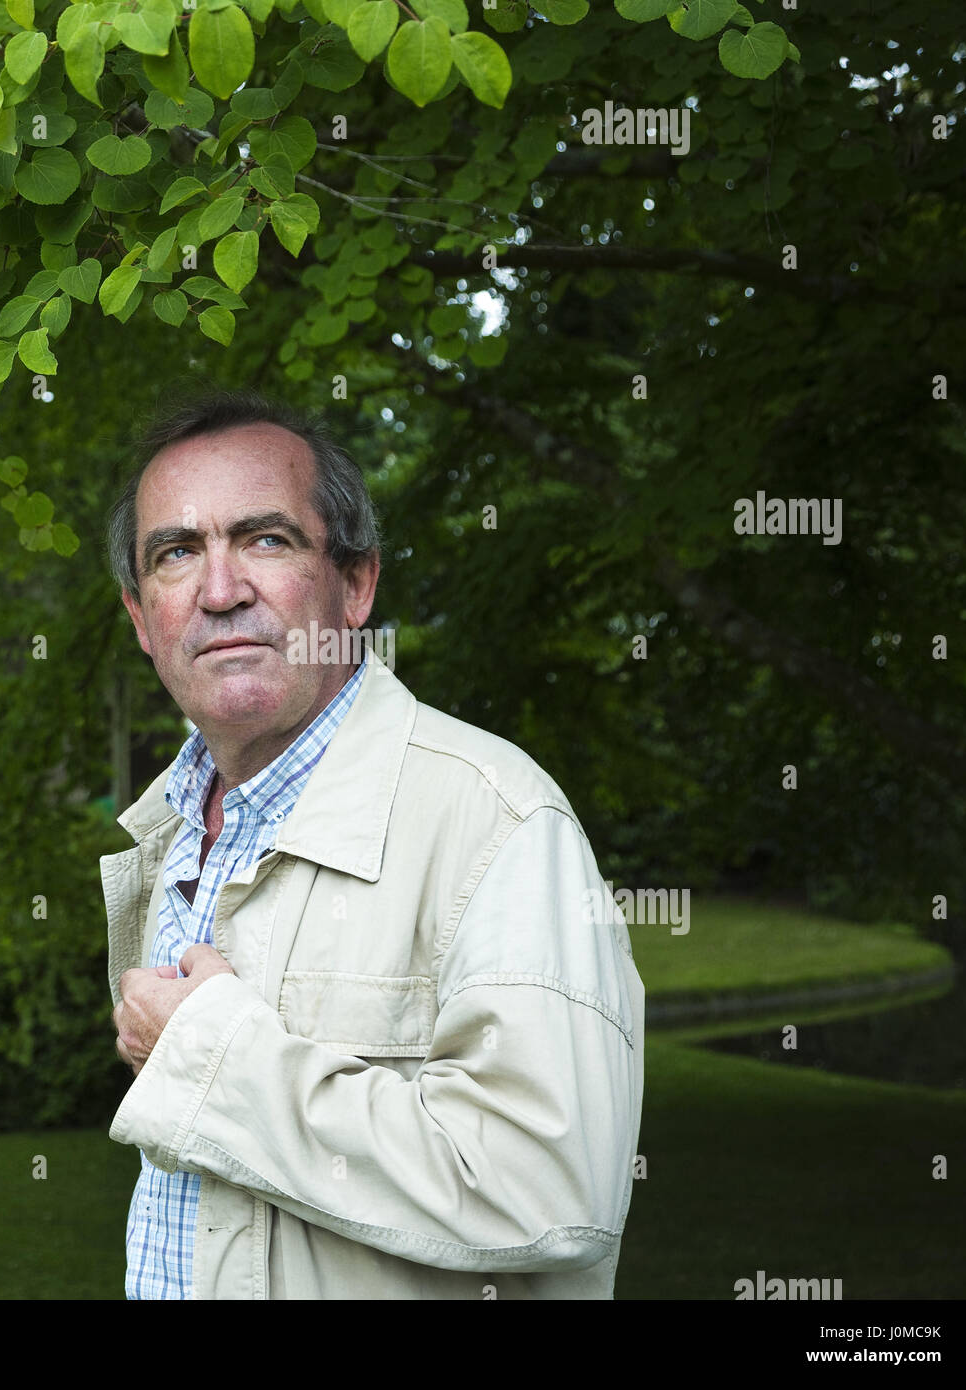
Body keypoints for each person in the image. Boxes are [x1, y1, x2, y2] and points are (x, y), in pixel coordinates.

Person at [102, 387, 645, 1299]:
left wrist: (208, 1055)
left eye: (266, 539)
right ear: (140, 618)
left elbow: (552, 1192)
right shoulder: (168, 832)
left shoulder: (499, 821)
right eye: (177, 553)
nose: (221, 589)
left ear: (355, 585)